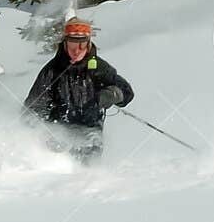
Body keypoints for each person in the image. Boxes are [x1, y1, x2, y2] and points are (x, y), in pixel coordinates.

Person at [22, 19, 134, 160]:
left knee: (88, 166)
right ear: (65, 43)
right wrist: (42, 130)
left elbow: (126, 92)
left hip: (90, 131)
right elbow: (33, 108)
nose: (76, 50)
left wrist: (112, 94)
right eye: (72, 44)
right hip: (59, 133)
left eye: (81, 44)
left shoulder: (99, 68)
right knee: (59, 165)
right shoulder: (52, 71)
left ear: (88, 44)